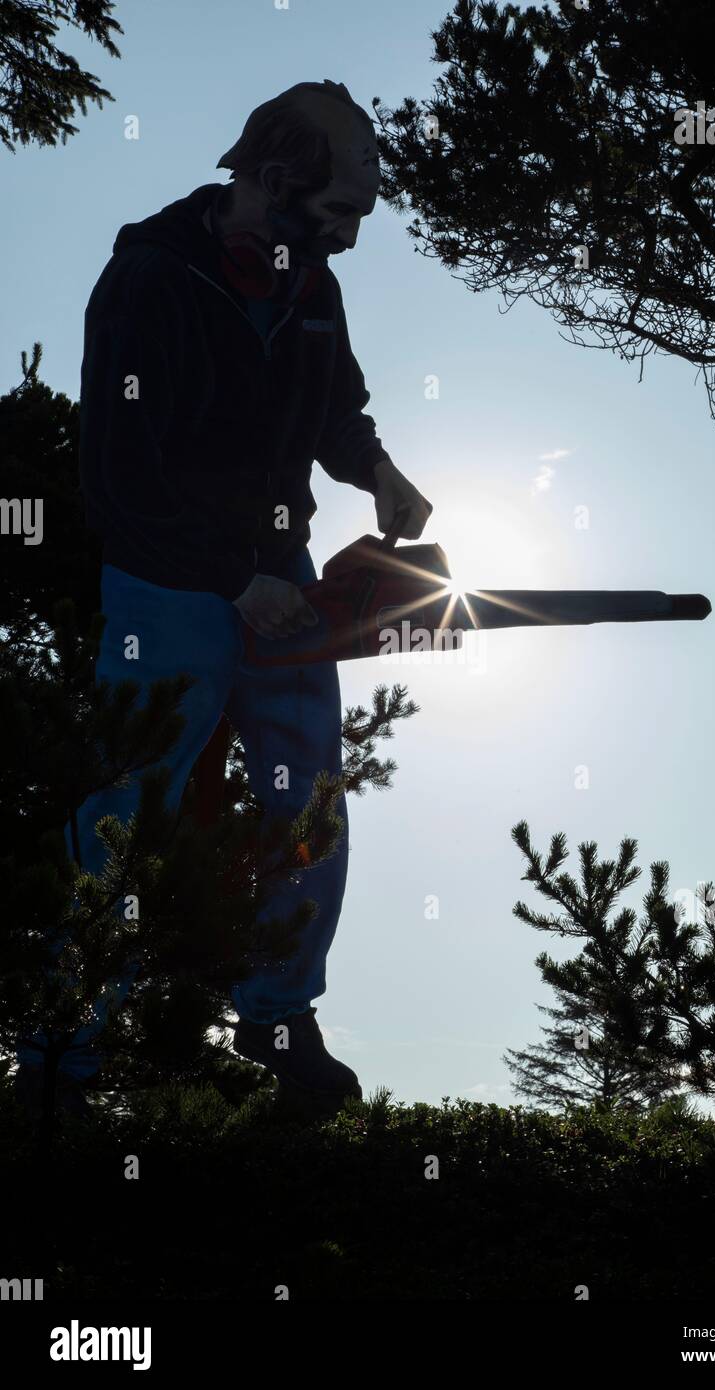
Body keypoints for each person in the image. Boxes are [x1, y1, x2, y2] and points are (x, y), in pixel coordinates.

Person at [14, 80, 431, 1121]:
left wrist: (375, 470)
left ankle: (278, 1013)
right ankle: (61, 1054)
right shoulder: (150, 280)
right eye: (336, 213)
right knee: (126, 810)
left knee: (313, 800)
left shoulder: (312, 286)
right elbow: (118, 476)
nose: (346, 237)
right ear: (274, 182)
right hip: (166, 584)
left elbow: (336, 406)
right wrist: (226, 579)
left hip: (281, 576)